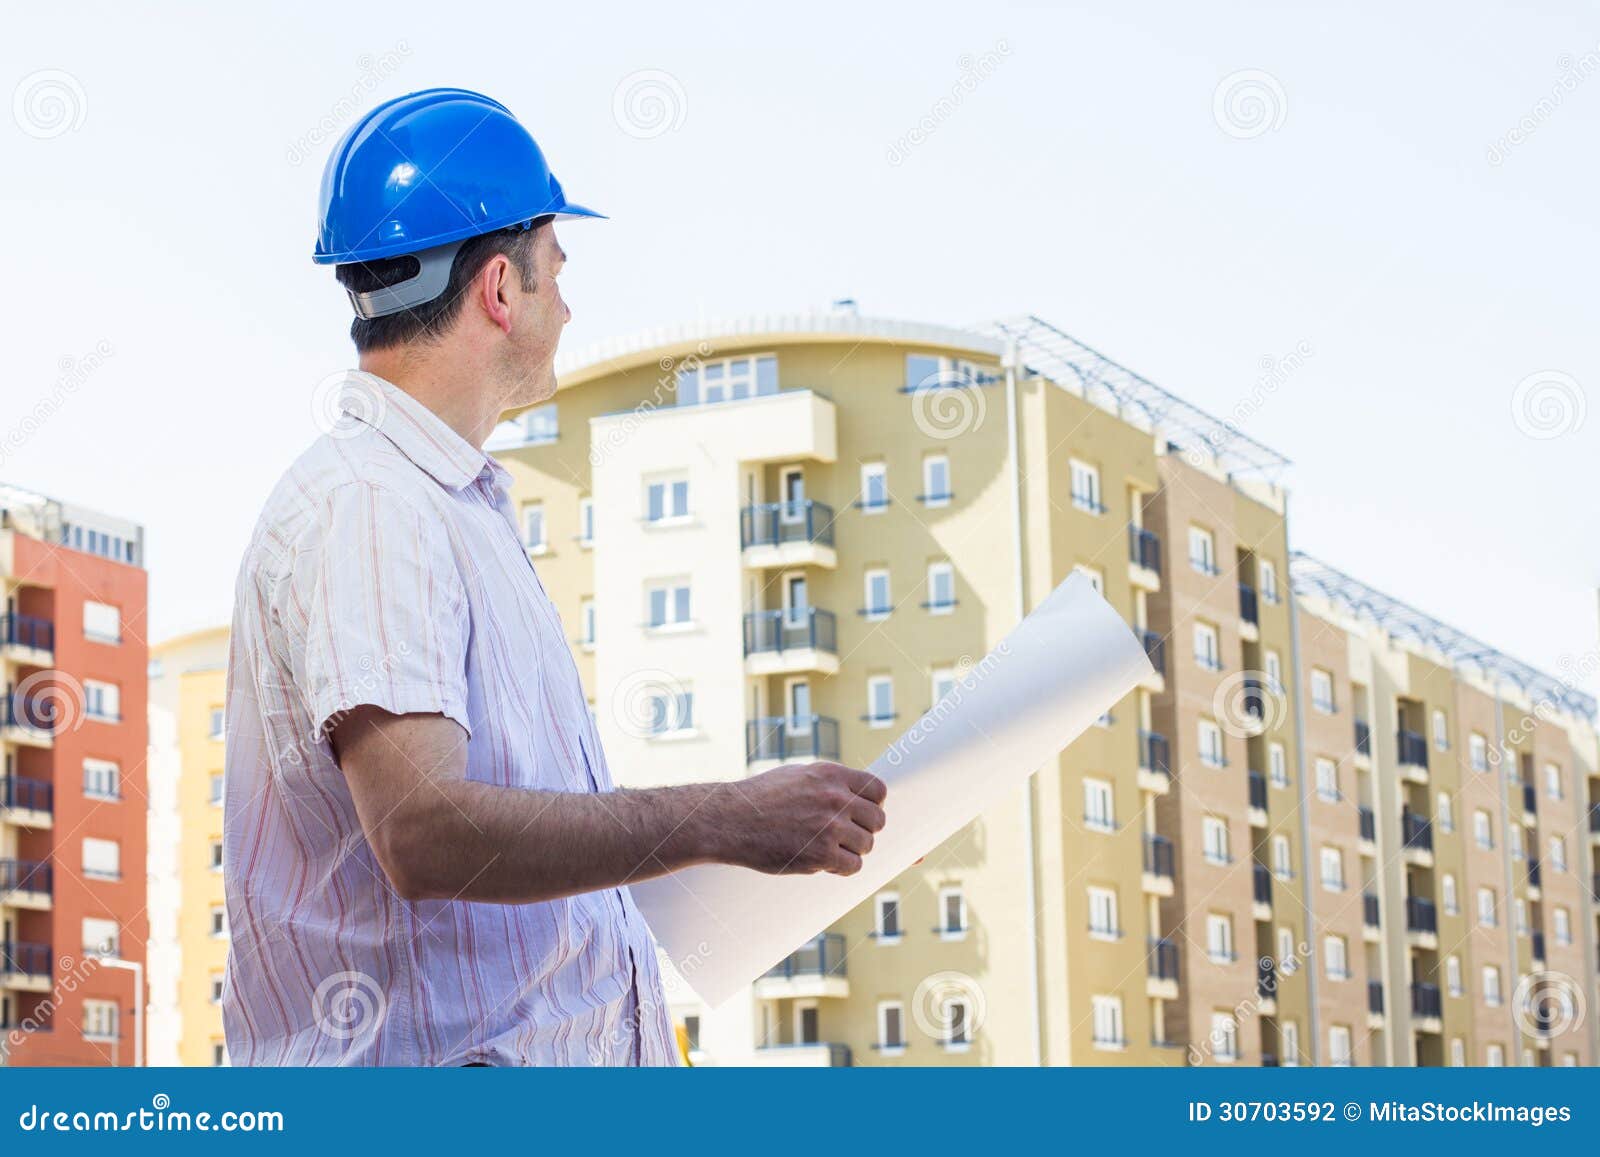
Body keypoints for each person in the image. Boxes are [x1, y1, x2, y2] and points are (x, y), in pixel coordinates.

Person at [220, 88, 886, 1066]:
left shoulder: (449, 507)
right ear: (500, 287)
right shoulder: (372, 507)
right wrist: (728, 816)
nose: (568, 305)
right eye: (557, 270)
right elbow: (425, 830)